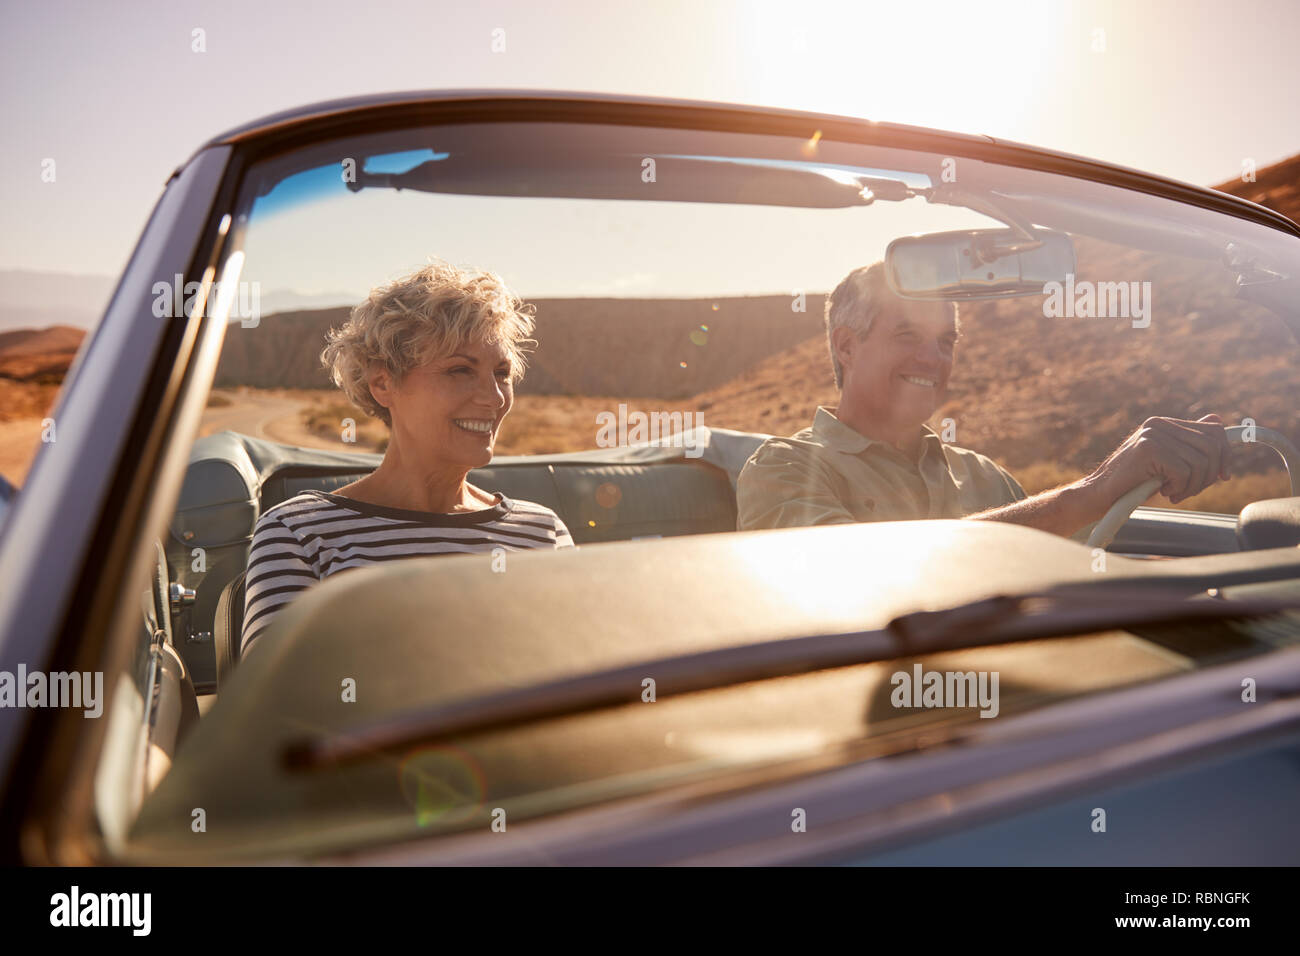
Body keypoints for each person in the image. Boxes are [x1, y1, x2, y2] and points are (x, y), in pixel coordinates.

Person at [736, 261, 1231, 536]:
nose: (933, 359)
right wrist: (1089, 493)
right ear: (847, 345)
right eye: (908, 336)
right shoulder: (782, 469)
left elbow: (1066, 580)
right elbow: (856, 584)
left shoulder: (985, 475)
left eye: (946, 341)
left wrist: (1148, 477)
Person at [241, 260, 573, 653]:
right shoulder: (300, 534)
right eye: (459, 371)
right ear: (383, 383)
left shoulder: (541, 531)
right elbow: (281, 704)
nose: (494, 397)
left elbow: (581, 678)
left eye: (501, 372)